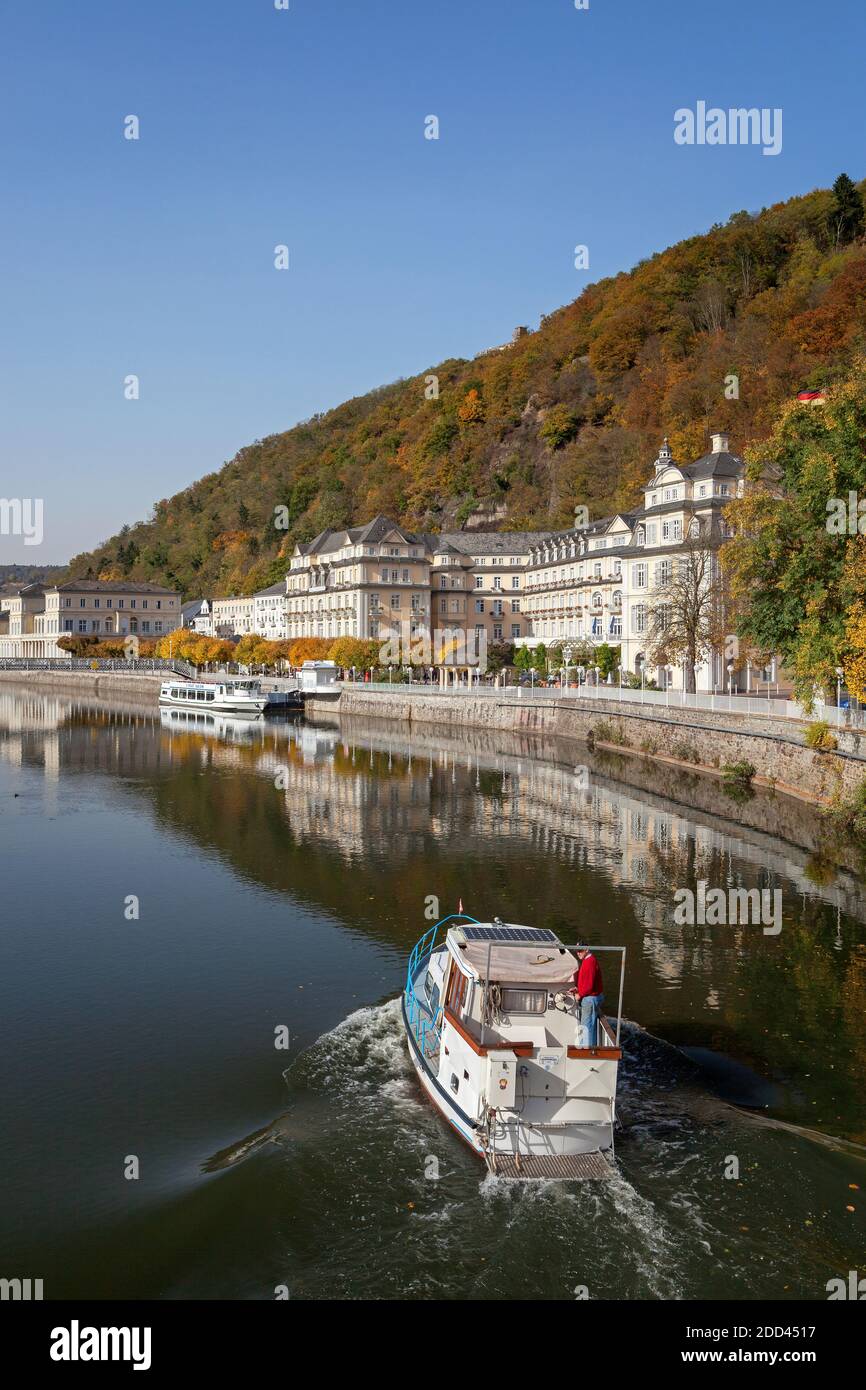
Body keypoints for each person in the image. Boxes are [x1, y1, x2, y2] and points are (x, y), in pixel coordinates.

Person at [570, 944, 604, 1048]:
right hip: (590, 997)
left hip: (589, 999)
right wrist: (577, 989)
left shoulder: (590, 962)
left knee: (586, 1027)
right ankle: (588, 1048)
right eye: (577, 951)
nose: (578, 953)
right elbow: (587, 982)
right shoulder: (588, 960)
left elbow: (589, 985)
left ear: (587, 949)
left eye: (580, 951)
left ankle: (586, 1052)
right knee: (588, 1026)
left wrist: (579, 994)